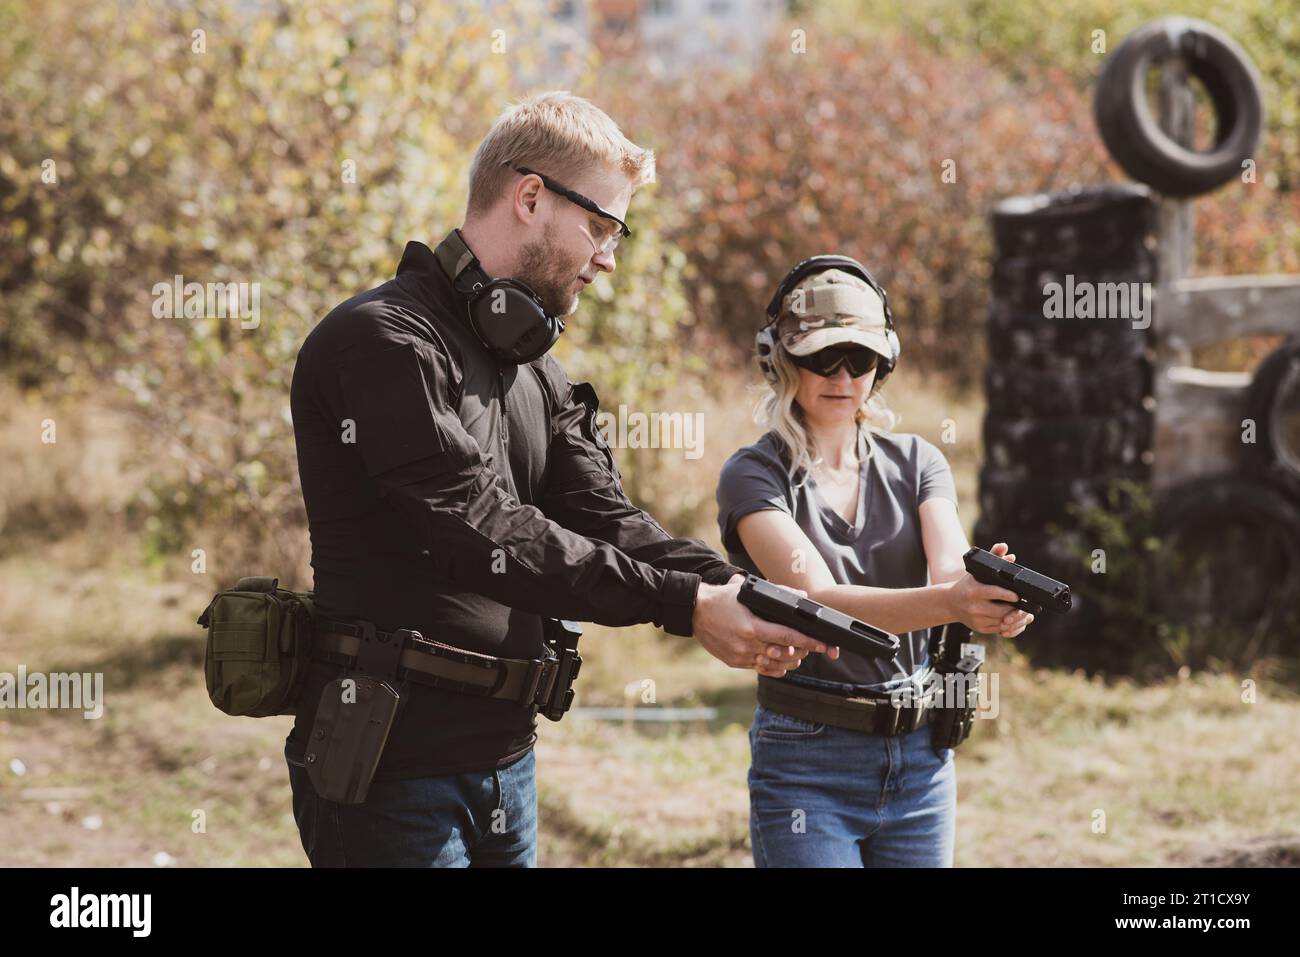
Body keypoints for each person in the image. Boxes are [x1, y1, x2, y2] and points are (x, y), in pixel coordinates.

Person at [284, 91, 833, 867]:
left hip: (507, 761)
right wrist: (685, 605)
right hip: (387, 767)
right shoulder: (381, 340)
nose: (610, 256)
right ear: (531, 196)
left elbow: (604, 515)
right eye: (602, 227)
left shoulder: (533, 361)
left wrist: (735, 591)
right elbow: (478, 529)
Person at [715, 257, 1033, 867]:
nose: (841, 375)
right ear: (782, 360)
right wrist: (952, 602)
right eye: (820, 357)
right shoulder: (752, 474)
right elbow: (817, 603)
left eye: (859, 359)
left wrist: (987, 600)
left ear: (881, 365)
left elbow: (949, 571)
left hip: (921, 757)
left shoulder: (919, 462)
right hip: (807, 759)